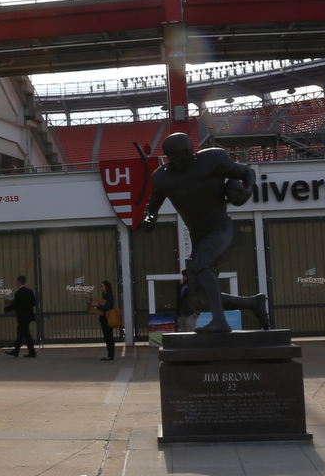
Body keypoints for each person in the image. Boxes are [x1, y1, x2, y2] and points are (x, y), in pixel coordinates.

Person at [145, 132, 274, 334]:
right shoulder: (163, 177)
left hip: (220, 229)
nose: (173, 160)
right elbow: (152, 206)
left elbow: (246, 172)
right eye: (169, 156)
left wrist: (247, 191)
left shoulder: (212, 160)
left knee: (200, 265)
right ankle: (253, 304)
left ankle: (220, 322)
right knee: (198, 300)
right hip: (199, 238)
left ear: (189, 152)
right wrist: (149, 219)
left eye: (176, 154)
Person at [3, 275, 38, 358]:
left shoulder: (18, 293)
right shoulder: (30, 291)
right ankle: (16, 351)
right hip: (28, 316)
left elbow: (15, 305)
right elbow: (34, 303)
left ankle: (31, 352)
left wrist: (6, 309)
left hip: (22, 317)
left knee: (26, 335)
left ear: (18, 282)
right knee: (20, 333)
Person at [92, 279, 120, 360]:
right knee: (107, 338)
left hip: (108, 319)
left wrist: (97, 305)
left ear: (106, 287)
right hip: (104, 319)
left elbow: (107, 307)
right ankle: (109, 354)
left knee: (109, 337)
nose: (101, 288)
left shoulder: (109, 296)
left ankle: (111, 355)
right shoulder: (105, 295)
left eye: (102, 286)